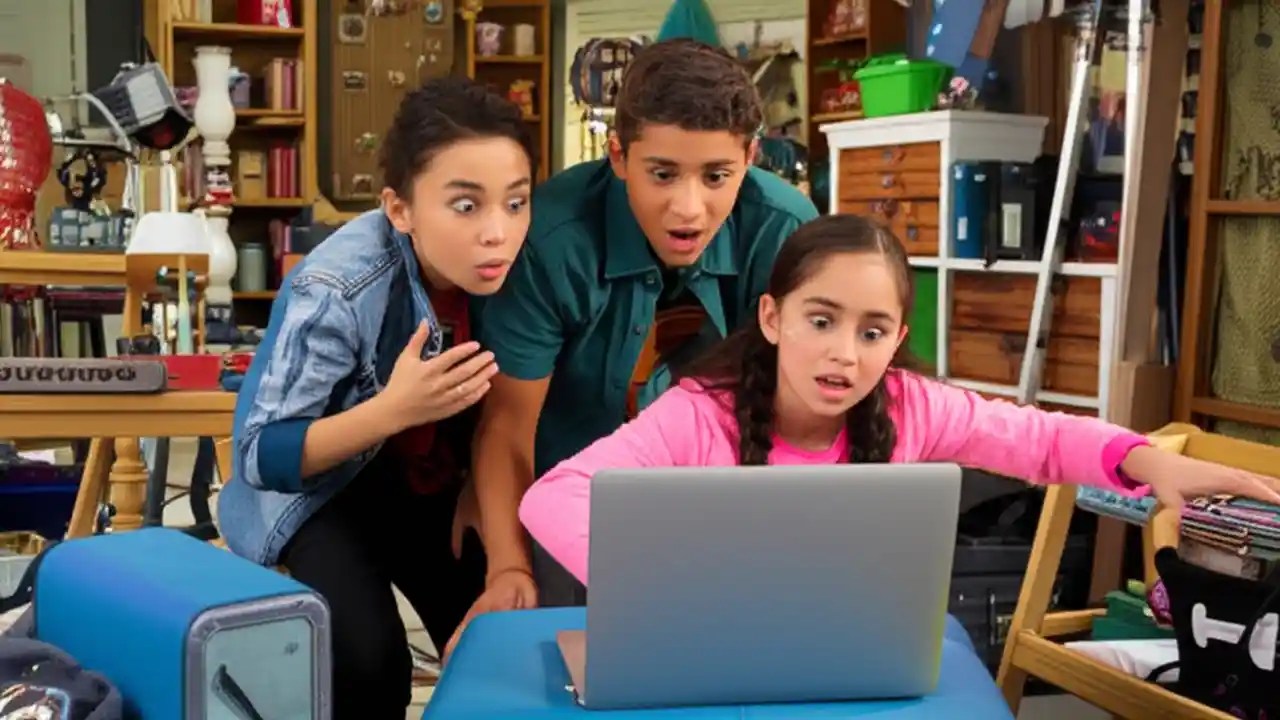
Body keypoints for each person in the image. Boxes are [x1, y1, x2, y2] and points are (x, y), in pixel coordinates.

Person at [517, 214, 1280, 585]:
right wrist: (662, 578)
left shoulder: (912, 406)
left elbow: (1039, 440)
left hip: (847, 656)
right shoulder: (700, 411)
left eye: (872, 331)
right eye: (821, 321)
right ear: (774, 318)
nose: (846, 354)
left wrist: (1151, 463)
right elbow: (553, 496)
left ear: (897, 336)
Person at [458, 38, 821, 636]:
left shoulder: (785, 233)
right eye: (662, 174)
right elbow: (507, 429)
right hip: (568, 497)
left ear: (752, 157)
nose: (689, 209)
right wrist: (508, 568)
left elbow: (809, 405)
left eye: (717, 176)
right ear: (618, 155)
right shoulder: (550, 241)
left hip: (732, 498)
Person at [218, 77, 536, 718]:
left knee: (507, 633)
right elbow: (261, 453)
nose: (498, 233)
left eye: (517, 203)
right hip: (324, 494)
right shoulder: (340, 284)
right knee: (371, 662)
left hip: (428, 483)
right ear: (400, 209)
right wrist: (394, 411)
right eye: (466, 206)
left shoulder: (525, 267)